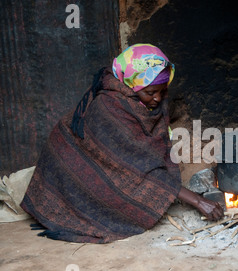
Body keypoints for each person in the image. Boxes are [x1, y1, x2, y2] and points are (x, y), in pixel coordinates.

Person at [20, 43, 224, 244]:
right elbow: (138, 169)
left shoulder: (140, 99)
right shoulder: (111, 108)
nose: (157, 98)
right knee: (123, 200)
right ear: (132, 84)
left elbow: (145, 157)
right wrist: (198, 201)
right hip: (69, 170)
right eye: (151, 92)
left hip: (103, 163)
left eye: (162, 91)